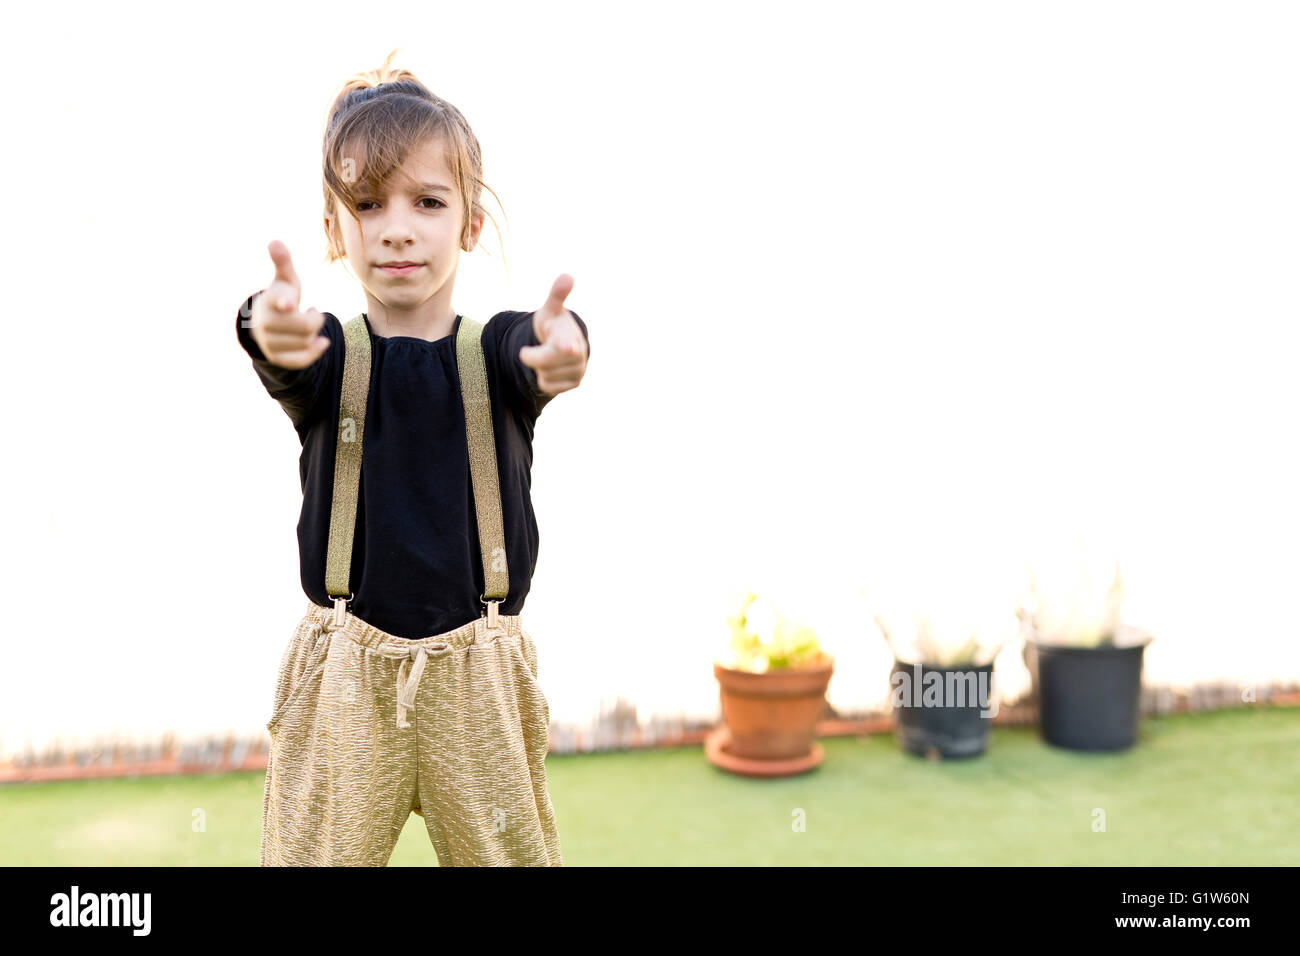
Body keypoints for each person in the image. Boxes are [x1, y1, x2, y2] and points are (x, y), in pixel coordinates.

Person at [235, 52, 589, 866]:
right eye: (367, 204)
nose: (397, 226)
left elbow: (539, 341)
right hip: (343, 675)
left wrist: (562, 347)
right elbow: (286, 346)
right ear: (334, 231)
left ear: (468, 222)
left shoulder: (499, 353)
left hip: (483, 676)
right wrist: (267, 322)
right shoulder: (328, 360)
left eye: (427, 202)